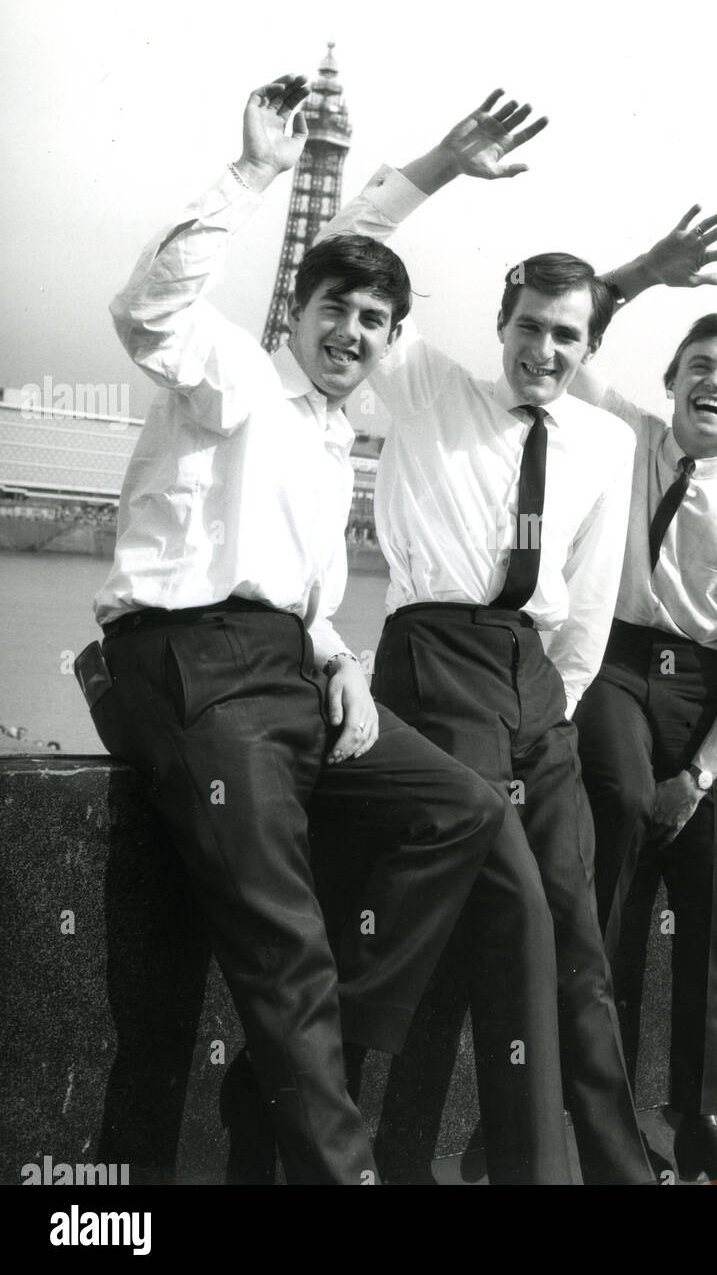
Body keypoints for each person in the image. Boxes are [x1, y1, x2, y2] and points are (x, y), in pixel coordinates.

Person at [78, 76, 503, 1185]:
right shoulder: (230, 377)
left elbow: (302, 600)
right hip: (185, 662)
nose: (353, 333)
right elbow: (147, 311)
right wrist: (254, 172)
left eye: (375, 321)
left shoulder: (327, 445)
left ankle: (282, 1071)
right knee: (282, 938)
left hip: (280, 673)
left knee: (455, 808)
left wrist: (345, 665)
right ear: (295, 312)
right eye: (335, 310)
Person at [316, 91, 657, 1184]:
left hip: (535, 687)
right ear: (498, 326)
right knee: (506, 914)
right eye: (528, 329)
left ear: (589, 342)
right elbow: (344, 255)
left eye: (567, 336)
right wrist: (436, 167)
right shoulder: (426, 390)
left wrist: (552, 696)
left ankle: (608, 1166)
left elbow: (591, 600)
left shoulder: (605, 445)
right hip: (435, 656)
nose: (543, 351)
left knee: (577, 934)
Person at [571, 216, 717, 1182]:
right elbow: (577, 329)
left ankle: (700, 1122)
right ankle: (597, 1120)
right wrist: (641, 274)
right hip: (611, 664)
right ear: (671, 382)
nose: (716, 381)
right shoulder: (626, 433)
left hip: (700, 695)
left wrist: (699, 776)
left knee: (714, 908)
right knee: (615, 820)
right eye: (701, 363)